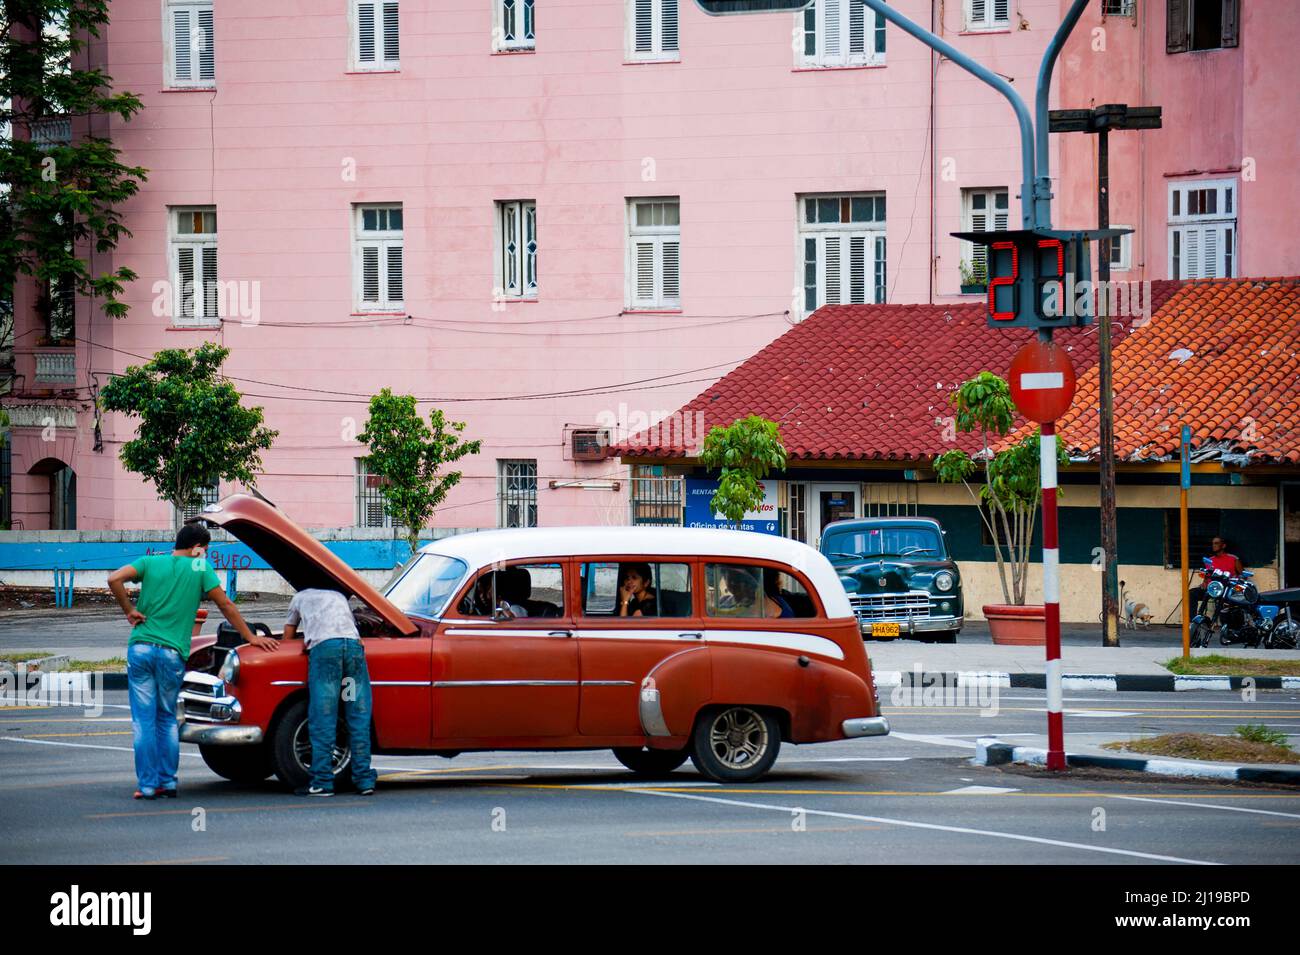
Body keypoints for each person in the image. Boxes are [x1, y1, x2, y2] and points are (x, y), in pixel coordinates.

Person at [108, 521, 279, 801]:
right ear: (197, 548)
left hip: (140, 648)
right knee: (166, 720)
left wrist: (130, 610)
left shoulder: (150, 562)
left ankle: (148, 786)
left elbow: (114, 578)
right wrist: (250, 636)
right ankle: (168, 782)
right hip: (171, 652)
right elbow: (226, 604)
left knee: (143, 721)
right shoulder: (200, 568)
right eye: (206, 549)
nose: (207, 554)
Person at [283, 588, 377, 797]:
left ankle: (322, 782)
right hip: (352, 650)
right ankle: (364, 780)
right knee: (357, 714)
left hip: (326, 652)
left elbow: (288, 636)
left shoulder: (300, 598)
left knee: (324, 715)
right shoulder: (339, 597)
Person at [1190, 536, 1245, 617]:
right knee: (1192, 593)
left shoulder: (1233, 558)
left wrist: (1237, 582)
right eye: (1213, 544)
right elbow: (1207, 575)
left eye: (1216, 543)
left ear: (1223, 546)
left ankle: (1227, 624)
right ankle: (1193, 621)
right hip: (1212, 589)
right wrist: (1204, 583)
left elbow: (1243, 574)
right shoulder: (1210, 560)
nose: (1213, 545)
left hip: (1226, 590)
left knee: (1230, 602)